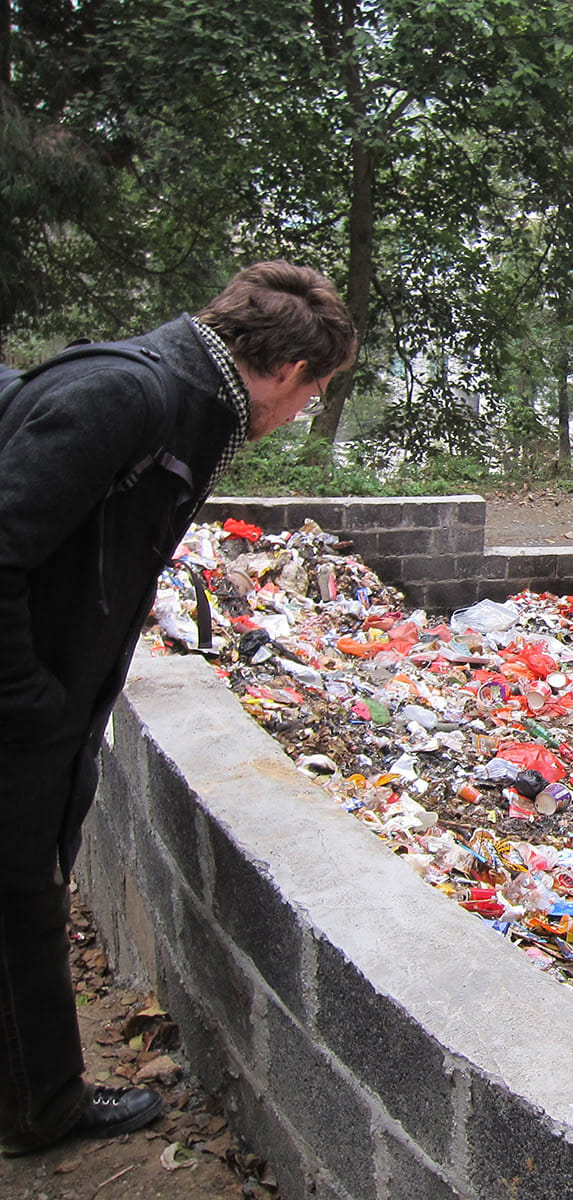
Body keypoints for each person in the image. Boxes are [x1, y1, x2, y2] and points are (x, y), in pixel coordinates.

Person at [0, 261, 356, 1155]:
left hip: (53, 700)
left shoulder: (192, 406)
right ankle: (38, 1108)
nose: (305, 410)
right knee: (15, 897)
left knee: (22, 894)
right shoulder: (128, 397)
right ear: (284, 372)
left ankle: (36, 1097)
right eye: (314, 391)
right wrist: (33, 704)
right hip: (18, 707)